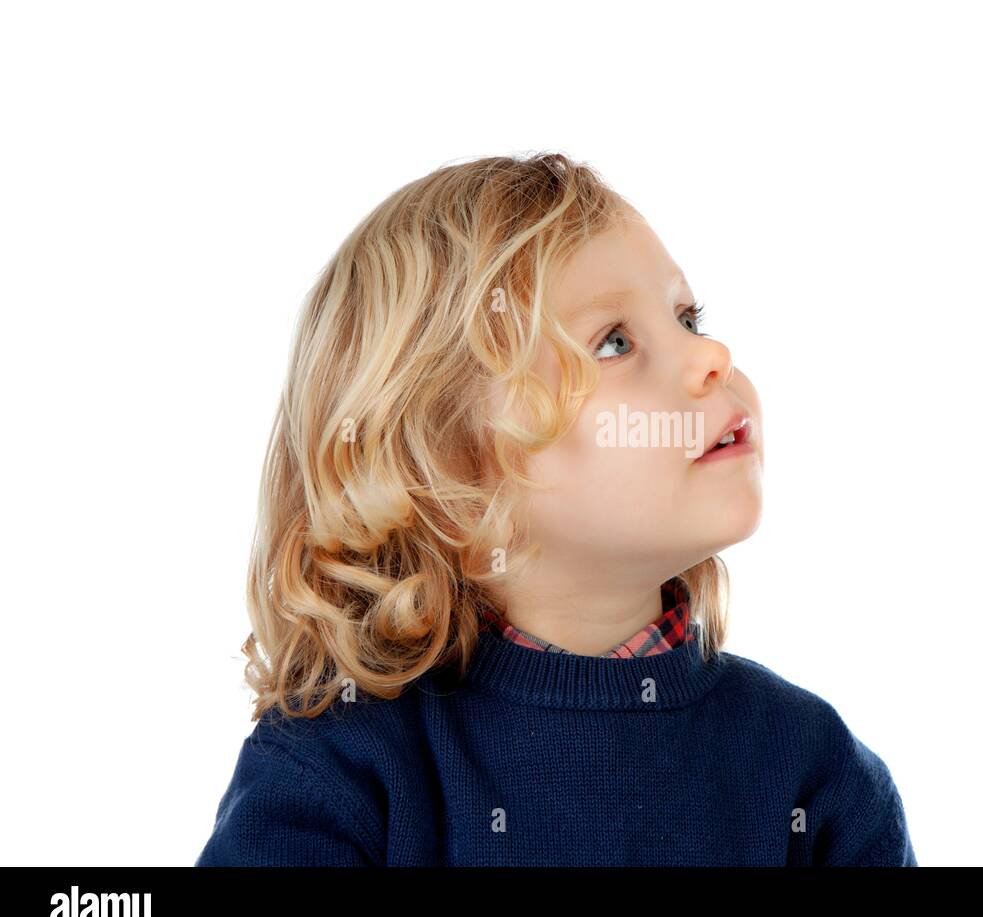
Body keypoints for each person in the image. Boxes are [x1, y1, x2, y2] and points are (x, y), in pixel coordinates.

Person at [195, 151, 917, 866]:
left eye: (689, 318)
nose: (713, 356)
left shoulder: (812, 771)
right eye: (614, 342)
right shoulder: (338, 772)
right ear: (452, 474)